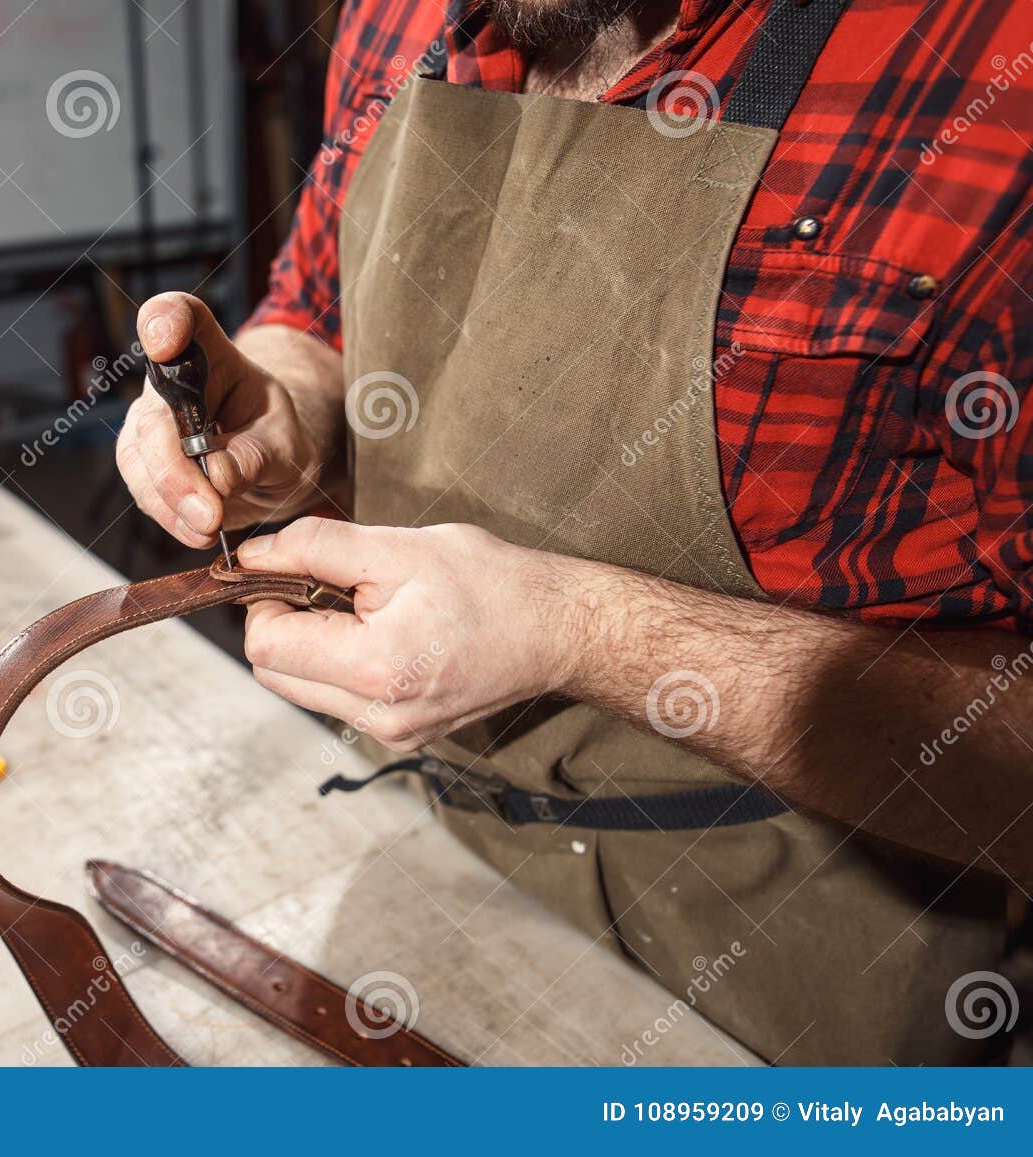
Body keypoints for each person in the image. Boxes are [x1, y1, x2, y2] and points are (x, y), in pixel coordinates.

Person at [115, 0, 1033, 1065]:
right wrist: (285, 397)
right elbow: (315, 308)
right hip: (419, 840)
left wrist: (579, 629)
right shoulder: (395, 16)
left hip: (778, 978)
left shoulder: (989, 81)